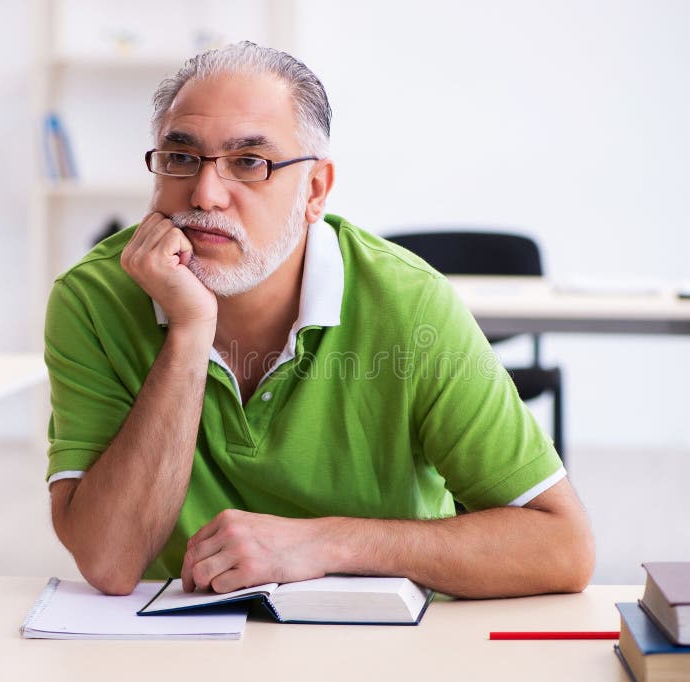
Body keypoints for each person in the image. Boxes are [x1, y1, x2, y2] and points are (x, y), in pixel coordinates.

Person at [45, 42, 594, 598]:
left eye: (249, 163)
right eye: (182, 158)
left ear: (314, 190)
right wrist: (189, 331)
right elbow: (111, 563)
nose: (206, 194)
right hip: (183, 648)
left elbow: (563, 547)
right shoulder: (93, 299)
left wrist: (327, 544)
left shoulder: (410, 304)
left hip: (381, 650)